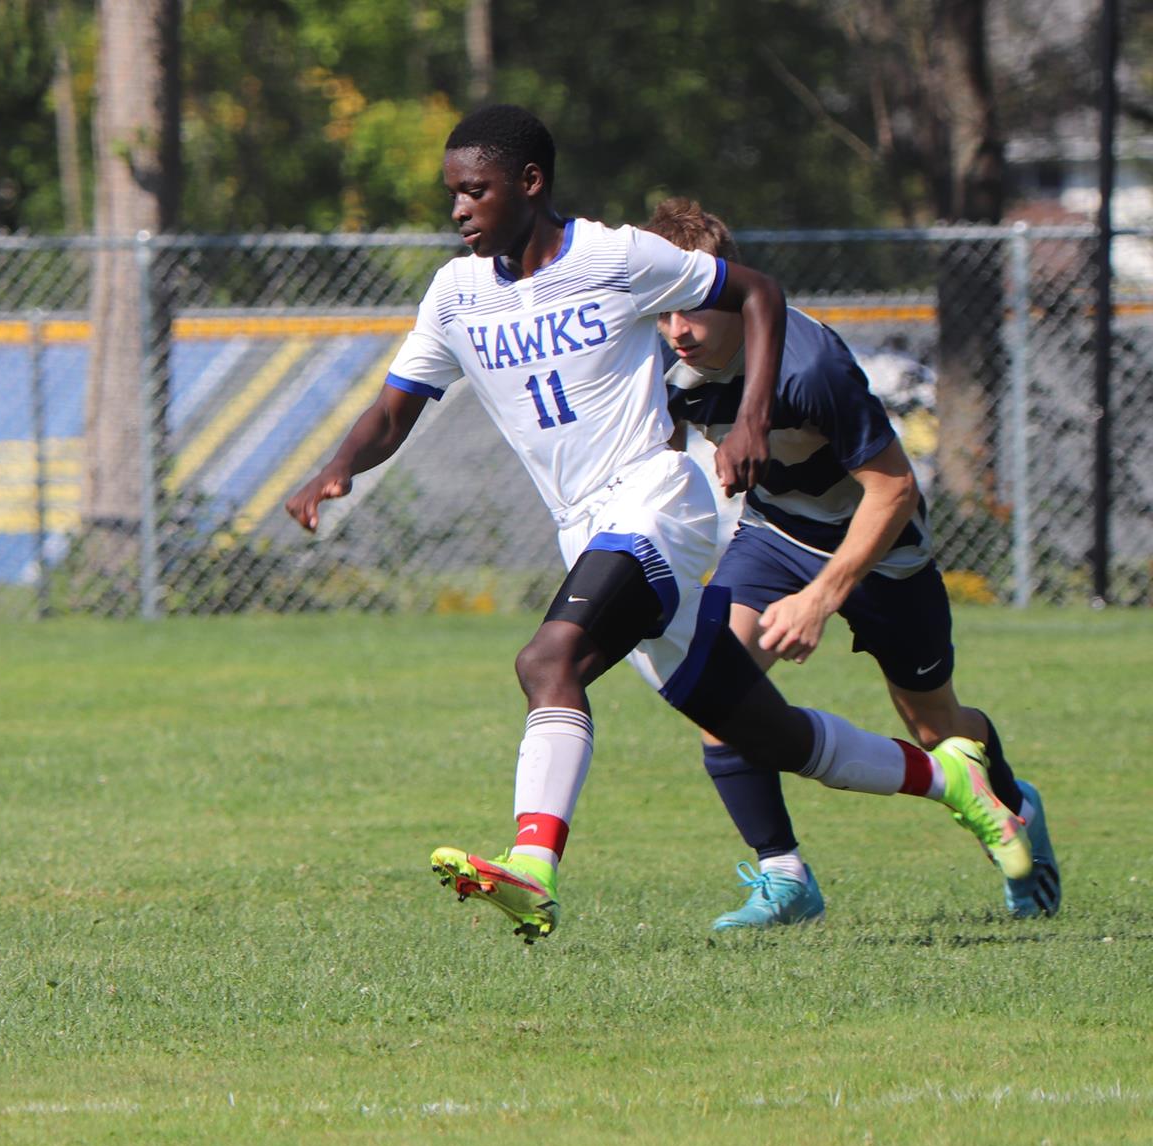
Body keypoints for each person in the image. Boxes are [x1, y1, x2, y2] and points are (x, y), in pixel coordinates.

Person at [284, 103, 1029, 943]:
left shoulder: (613, 254)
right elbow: (395, 407)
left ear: (530, 184)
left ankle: (533, 866)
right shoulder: (456, 295)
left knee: (548, 657)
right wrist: (337, 466)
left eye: (475, 191)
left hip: (655, 501)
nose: (458, 208)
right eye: (453, 193)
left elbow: (757, 294)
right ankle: (951, 782)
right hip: (584, 528)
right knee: (764, 730)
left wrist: (749, 420)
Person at [644, 197, 1059, 929]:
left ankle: (1017, 810)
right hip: (773, 537)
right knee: (720, 695)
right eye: (662, 311)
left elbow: (895, 489)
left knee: (938, 729)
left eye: (692, 311)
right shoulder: (666, 363)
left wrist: (822, 597)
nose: (677, 330)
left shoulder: (810, 366)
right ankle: (786, 875)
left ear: (733, 291)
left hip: (884, 553)